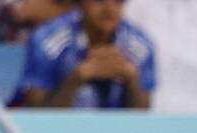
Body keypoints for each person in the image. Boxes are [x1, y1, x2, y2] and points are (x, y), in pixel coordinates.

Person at [15, 0, 154, 109]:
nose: (109, 9)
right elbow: (35, 115)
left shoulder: (140, 45)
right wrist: (76, 78)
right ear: (80, 2)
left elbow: (141, 120)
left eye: (119, 0)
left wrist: (131, 79)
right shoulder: (48, 40)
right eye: (99, 0)